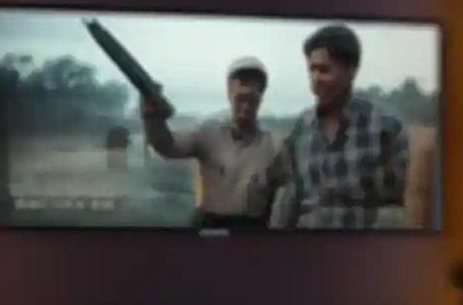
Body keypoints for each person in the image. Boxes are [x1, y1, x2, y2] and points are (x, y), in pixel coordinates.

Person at [266, 24, 412, 229]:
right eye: (312, 70)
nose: (316, 79)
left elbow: (404, 203)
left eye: (324, 70)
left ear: (351, 70)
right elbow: (287, 200)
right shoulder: (300, 131)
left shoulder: (385, 128)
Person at [141, 56, 283, 228]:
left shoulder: (273, 146)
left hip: (252, 230)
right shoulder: (208, 132)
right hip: (209, 226)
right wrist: (152, 118)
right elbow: (168, 147)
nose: (245, 107)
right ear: (229, 92)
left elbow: (284, 201)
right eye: (240, 99)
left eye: (252, 100)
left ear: (261, 98)